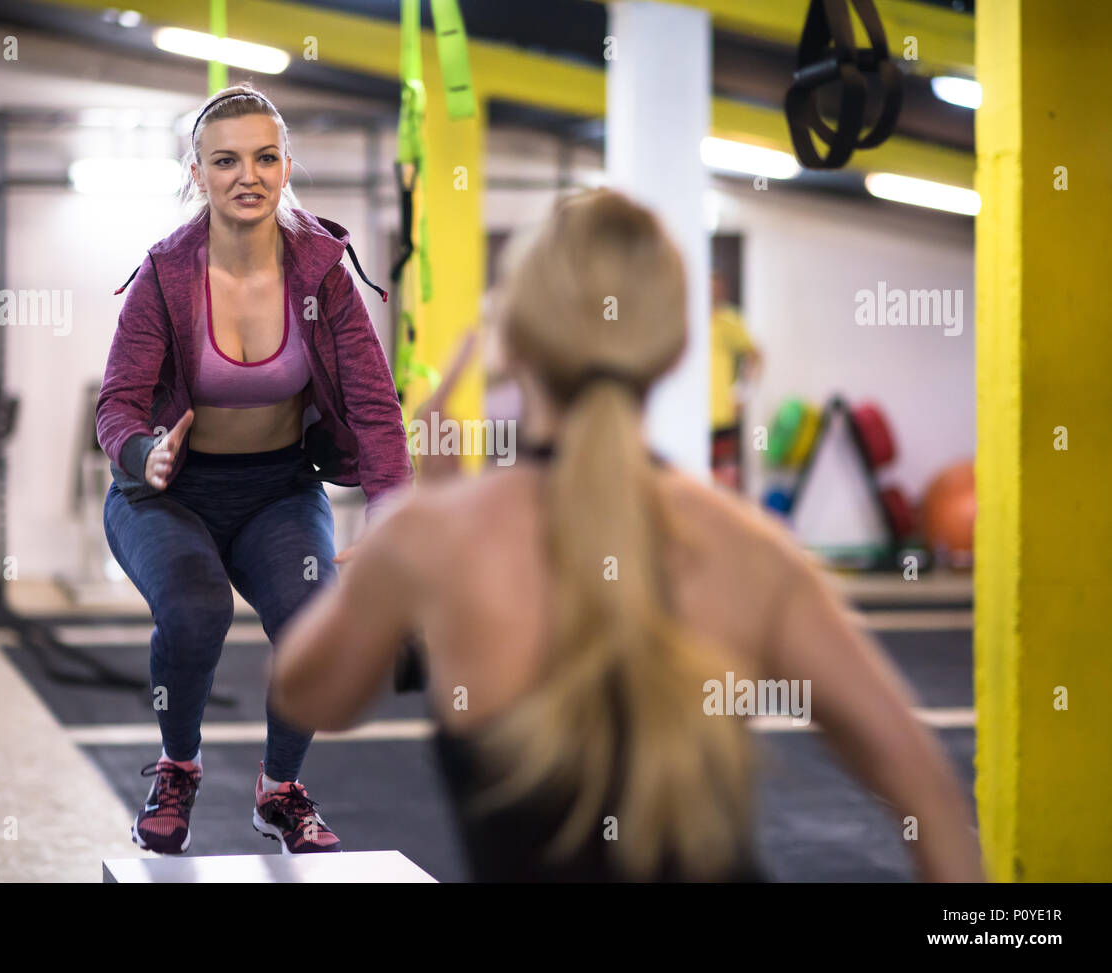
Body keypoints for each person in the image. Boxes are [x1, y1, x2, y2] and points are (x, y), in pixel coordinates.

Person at [267, 188, 985, 882]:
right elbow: (923, 782)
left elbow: (308, 696)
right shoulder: (752, 551)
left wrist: (405, 529)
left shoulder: (437, 538)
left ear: (512, 344)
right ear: (673, 351)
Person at [95, 84, 413, 855]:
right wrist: (147, 451)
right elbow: (117, 407)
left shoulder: (324, 272)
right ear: (196, 173)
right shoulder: (165, 275)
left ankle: (281, 790)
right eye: (227, 160)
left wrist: (392, 505)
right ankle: (178, 767)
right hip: (169, 494)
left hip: (277, 488)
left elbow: (374, 403)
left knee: (314, 621)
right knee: (197, 607)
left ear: (286, 166)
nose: (249, 175)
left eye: (266, 157)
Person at [709, 268, 762, 492]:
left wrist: (743, 392)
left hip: (723, 416)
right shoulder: (688, 318)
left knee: (723, 484)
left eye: (717, 287)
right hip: (691, 416)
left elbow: (755, 357)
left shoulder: (731, 321)